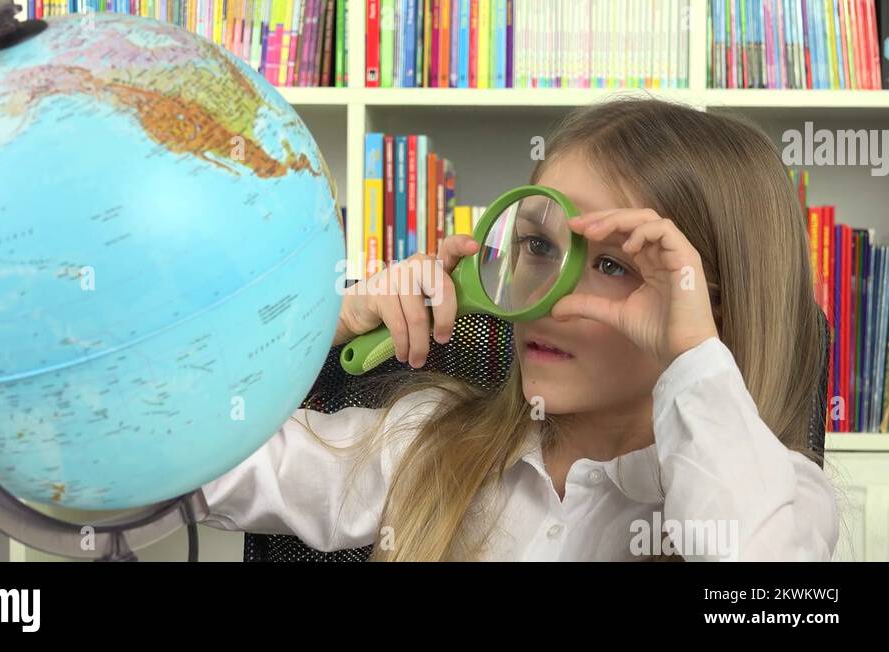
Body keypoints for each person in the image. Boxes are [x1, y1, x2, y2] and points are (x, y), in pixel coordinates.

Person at [200, 97, 842, 561]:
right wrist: (319, 325)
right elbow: (169, 458)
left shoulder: (784, 497)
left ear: (708, 310)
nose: (548, 301)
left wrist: (694, 361)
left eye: (615, 264)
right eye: (538, 248)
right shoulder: (423, 445)